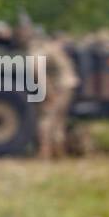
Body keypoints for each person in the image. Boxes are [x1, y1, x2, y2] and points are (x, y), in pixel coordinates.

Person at [16, 15, 78, 158]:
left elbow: (38, 71)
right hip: (67, 84)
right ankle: (59, 153)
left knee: (47, 119)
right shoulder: (48, 46)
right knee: (57, 120)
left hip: (62, 85)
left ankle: (45, 152)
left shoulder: (36, 50)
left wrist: (48, 92)